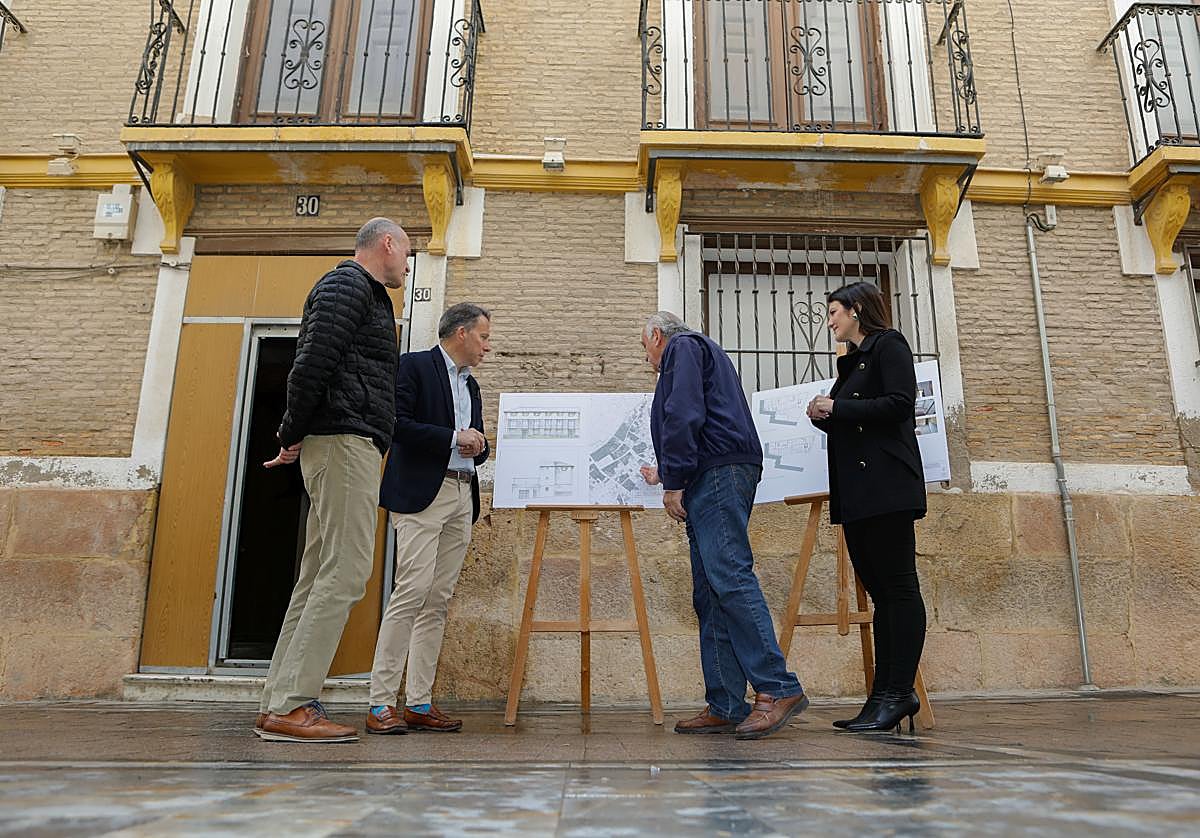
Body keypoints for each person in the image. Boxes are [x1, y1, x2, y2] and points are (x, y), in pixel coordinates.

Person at [255, 217, 409, 743]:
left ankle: (279, 701)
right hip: (345, 442)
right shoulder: (349, 285)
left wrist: (299, 434)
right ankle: (294, 704)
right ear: (387, 243)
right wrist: (290, 433)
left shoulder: (359, 292)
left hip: (343, 441)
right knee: (344, 574)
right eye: (406, 254)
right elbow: (311, 361)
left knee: (318, 575)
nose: (407, 266)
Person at [639, 311, 809, 740]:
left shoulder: (683, 347)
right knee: (710, 591)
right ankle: (725, 702)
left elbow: (684, 413)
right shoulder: (698, 352)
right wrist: (668, 469)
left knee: (729, 577)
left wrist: (674, 481)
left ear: (657, 336)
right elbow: (698, 418)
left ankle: (777, 687)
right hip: (713, 473)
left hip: (716, 474)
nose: (647, 360)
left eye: (645, 348)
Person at [806, 281, 928, 733]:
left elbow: (899, 405)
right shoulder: (851, 363)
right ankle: (882, 696)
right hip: (858, 494)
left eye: (835, 312)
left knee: (899, 588)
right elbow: (856, 424)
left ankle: (899, 693)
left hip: (888, 489)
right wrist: (826, 417)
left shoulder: (889, 345)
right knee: (881, 596)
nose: (831, 321)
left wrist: (836, 407)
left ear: (856, 311)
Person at [365, 303, 492, 735]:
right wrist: (454, 437)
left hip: (461, 491)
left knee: (437, 601)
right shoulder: (413, 367)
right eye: (483, 337)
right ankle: (380, 702)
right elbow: (395, 424)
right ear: (460, 333)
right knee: (412, 592)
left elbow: (477, 439)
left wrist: (478, 445)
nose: (487, 347)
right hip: (421, 493)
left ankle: (419, 702)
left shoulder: (471, 386)